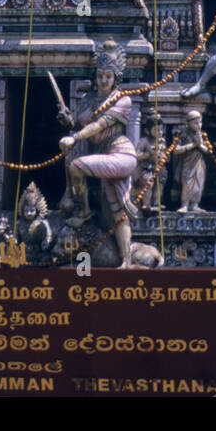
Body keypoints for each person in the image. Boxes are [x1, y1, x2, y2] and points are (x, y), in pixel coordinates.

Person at [58, 41, 138, 268]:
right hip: (106, 158)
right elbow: (81, 122)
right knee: (117, 211)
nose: (103, 80)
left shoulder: (123, 100)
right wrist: (70, 122)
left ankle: (83, 212)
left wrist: (75, 137)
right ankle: (126, 260)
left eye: (108, 76)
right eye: (100, 75)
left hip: (122, 154)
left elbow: (98, 126)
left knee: (77, 165)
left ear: (116, 78)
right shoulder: (88, 100)